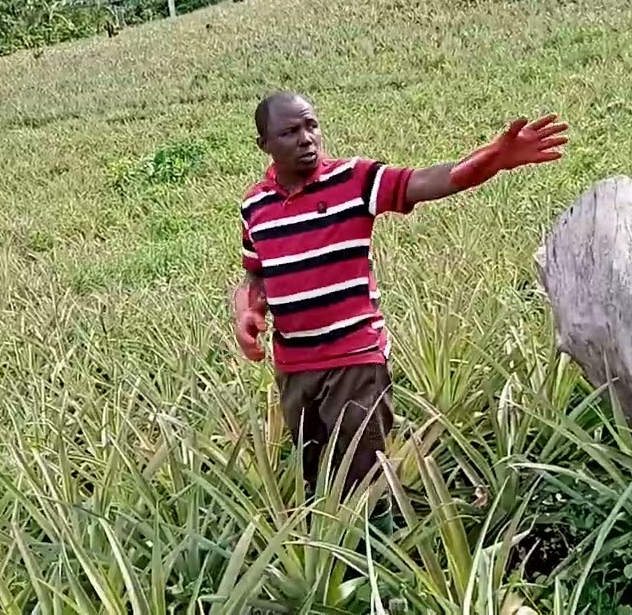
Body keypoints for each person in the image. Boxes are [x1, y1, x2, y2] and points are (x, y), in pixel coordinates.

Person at [231, 90, 569, 512]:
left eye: (311, 125)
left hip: (355, 359)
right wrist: (246, 312)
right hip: (295, 367)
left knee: (362, 477)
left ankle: (377, 557)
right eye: (289, 132)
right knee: (313, 472)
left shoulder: (354, 180)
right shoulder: (255, 205)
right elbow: (255, 276)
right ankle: (336, 554)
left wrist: (494, 158)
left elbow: (428, 181)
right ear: (265, 144)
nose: (306, 138)